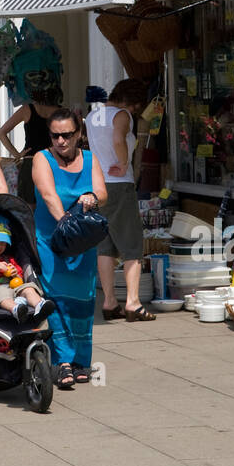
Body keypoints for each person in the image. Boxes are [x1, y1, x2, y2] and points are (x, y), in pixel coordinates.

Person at [32, 107, 108, 389]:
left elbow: (103, 192)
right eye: (55, 136)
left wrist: (91, 196)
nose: (61, 141)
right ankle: (61, 361)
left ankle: (79, 361)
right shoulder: (42, 158)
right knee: (56, 298)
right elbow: (49, 194)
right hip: (52, 241)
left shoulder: (90, 159)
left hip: (82, 243)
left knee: (83, 299)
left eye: (66, 135)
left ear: (78, 134)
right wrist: (63, 220)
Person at [86, 79, 152, 323]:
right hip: (119, 184)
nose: (135, 110)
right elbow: (117, 140)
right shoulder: (122, 114)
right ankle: (133, 302)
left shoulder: (94, 115)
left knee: (105, 245)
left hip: (97, 184)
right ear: (130, 101)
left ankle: (110, 300)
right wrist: (124, 163)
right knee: (131, 244)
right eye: (135, 105)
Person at [0, 213, 55, 324]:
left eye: (3, 243)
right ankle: (15, 309)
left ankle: (39, 305)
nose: (0, 246)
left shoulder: (8, 259)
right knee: (0, 292)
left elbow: (20, 280)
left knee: (28, 288)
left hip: (12, 289)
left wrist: (15, 274)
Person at [0, 81, 63, 204]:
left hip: (31, 161)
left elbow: (1, 132)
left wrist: (17, 154)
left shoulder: (27, 109)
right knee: (54, 204)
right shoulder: (61, 112)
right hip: (54, 161)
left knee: (29, 206)